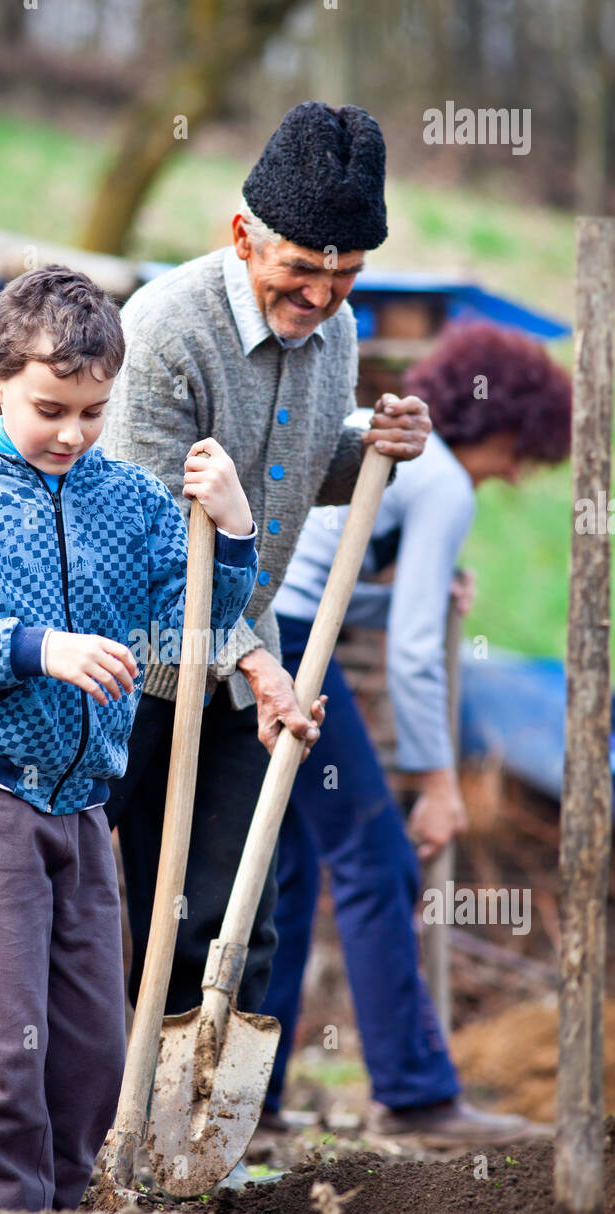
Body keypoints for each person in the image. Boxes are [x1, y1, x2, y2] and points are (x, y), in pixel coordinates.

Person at [0, 99, 433, 1176]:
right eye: (298, 271)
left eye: (342, 278)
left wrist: (368, 444)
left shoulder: (333, 331)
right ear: (240, 236)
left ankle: (169, 1138)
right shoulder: (165, 330)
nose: (317, 297)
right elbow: (141, 525)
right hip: (120, 668)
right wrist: (244, 650)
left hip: (224, 650)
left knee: (223, 908)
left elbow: (287, 470)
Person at [0, 264, 260, 1211]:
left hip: (82, 805)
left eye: (93, 410)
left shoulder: (128, 499)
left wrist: (235, 532)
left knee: (88, 1051)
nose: (73, 433)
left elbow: (194, 626)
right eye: (51, 409)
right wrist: (37, 648)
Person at [261, 321, 572, 1141]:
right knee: (376, 858)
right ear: (500, 424)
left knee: (287, 874)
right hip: (296, 655)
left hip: (261, 638)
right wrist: (437, 783)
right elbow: (409, 653)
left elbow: (326, 588)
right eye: (519, 454)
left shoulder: (406, 463)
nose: (513, 474)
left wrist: (422, 599)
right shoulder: (442, 481)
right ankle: (413, 1093)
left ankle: (250, 1102)